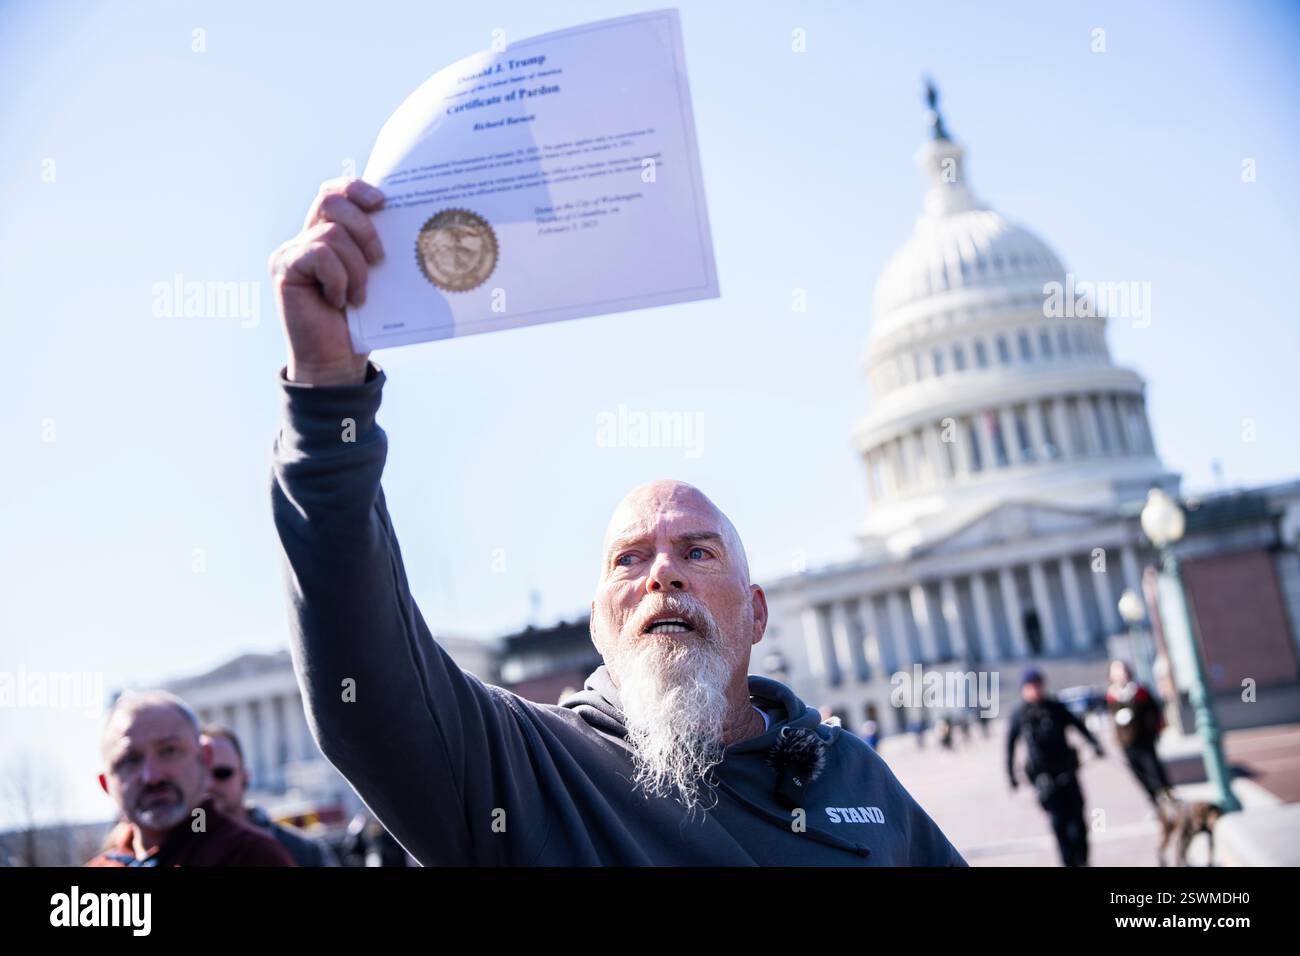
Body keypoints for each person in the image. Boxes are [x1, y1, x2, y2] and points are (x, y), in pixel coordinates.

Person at [265, 177, 966, 867]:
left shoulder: (852, 775)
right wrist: (328, 397)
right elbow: (365, 679)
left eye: (698, 552)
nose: (663, 572)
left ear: (756, 614)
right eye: (629, 559)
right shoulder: (530, 773)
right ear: (599, 623)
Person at [86, 691, 295, 867]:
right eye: (130, 760)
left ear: (205, 759)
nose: (152, 776)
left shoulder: (251, 858)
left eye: (169, 750)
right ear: (106, 784)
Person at [1005, 668, 1104, 867]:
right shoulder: (1020, 714)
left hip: (1067, 773)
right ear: (1024, 689)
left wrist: (1095, 744)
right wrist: (1011, 776)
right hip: (1045, 781)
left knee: (1078, 823)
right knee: (1059, 825)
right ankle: (1069, 864)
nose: (1035, 690)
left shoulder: (1056, 707)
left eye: (1038, 685)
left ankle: (1082, 861)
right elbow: (1009, 746)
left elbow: (1078, 725)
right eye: (1031, 686)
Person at [201, 725, 339, 866]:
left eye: (222, 773)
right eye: (201, 775)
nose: (209, 784)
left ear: (245, 778)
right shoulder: (184, 854)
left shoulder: (303, 851)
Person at [1105, 660, 1173, 805]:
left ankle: (1167, 797)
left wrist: (1153, 732)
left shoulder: (1139, 691)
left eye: (1122, 671)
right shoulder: (1111, 695)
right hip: (1127, 742)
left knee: (1154, 769)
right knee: (1138, 772)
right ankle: (1154, 801)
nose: (1120, 675)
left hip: (1144, 739)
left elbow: (1153, 713)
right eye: (1116, 672)